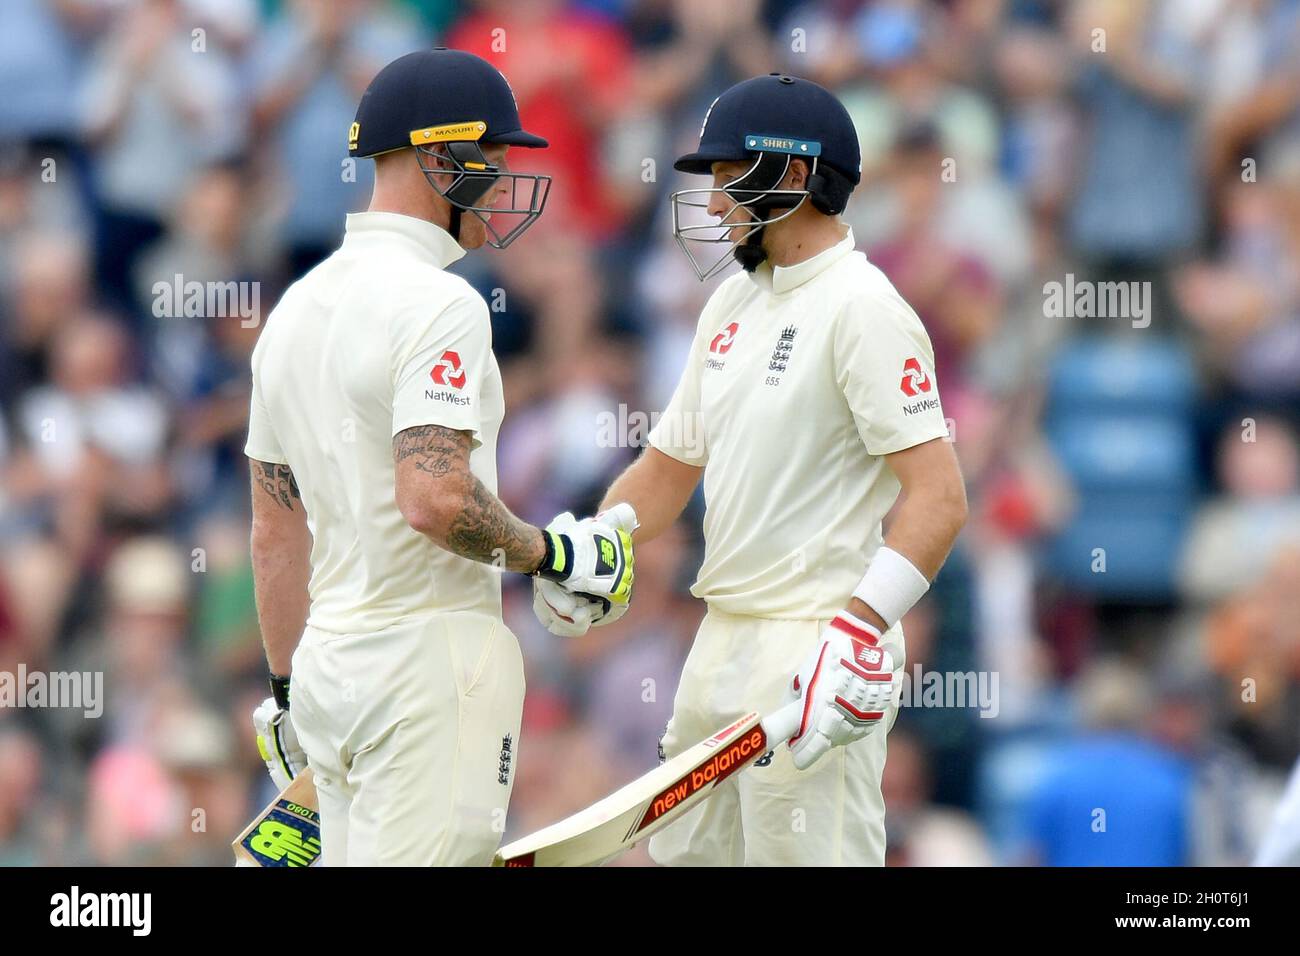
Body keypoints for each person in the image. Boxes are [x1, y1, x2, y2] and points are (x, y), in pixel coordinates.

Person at [534, 73, 967, 865]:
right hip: (718, 643)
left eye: (732, 176)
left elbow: (939, 497)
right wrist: (605, 544)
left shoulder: (863, 307)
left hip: (813, 647)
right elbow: (666, 468)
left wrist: (860, 629)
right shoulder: (731, 304)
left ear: (796, 176)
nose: (716, 200)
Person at [244, 48, 634, 866]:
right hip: (425, 671)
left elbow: (275, 537)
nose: (498, 183)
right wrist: (555, 553)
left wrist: (288, 699)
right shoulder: (437, 301)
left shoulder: (292, 312)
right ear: (439, 156)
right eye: (490, 160)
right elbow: (435, 499)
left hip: (327, 672)